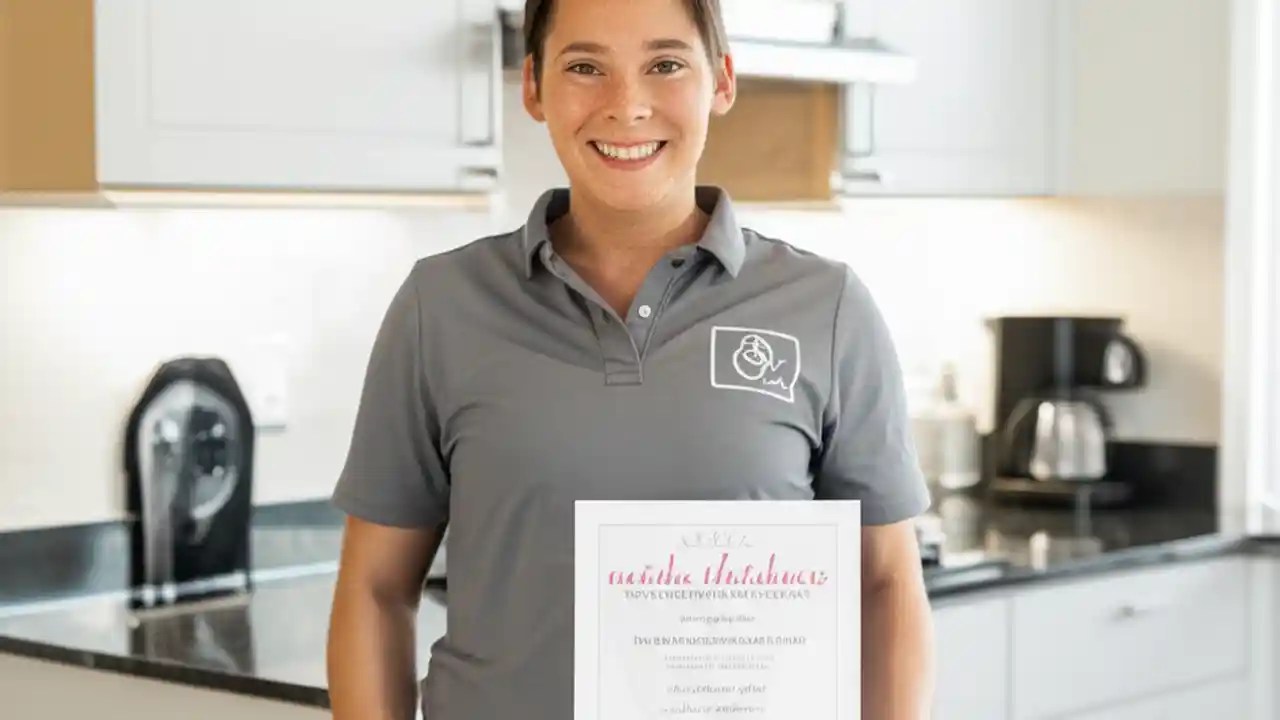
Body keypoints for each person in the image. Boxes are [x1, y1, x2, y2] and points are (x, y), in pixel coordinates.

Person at [325, 0, 935, 717]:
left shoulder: (826, 309)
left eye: (666, 65)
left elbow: (886, 584)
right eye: (585, 67)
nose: (627, 105)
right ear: (533, 87)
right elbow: (374, 590)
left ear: (722, 82)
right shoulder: (442, 307)